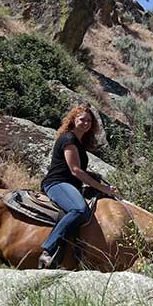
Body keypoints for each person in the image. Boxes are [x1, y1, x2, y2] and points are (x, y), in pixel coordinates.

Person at [39, 106, 117, 269]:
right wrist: (103, 188)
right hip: (57, 183)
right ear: (73, 119)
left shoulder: (79, 143)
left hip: (70, 184)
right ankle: (49, 249)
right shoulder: (68, 139)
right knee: (79, 210)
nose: (86, 123)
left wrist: (94, 177)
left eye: (89, 120)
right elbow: (75, 170)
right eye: (82, 119)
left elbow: (74, 168)